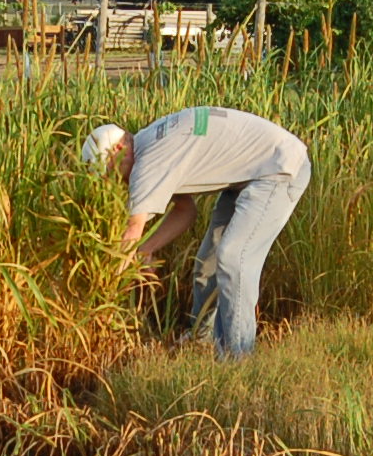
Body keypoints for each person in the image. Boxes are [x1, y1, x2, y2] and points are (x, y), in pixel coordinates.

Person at [81, 106, 311, 360]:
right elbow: (185, 211)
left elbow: (132, 229)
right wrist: (146, 249)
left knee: (233, 258)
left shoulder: (147, 164)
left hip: (280, 169)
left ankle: (238, 359)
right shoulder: (151, 144)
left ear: (118, 150)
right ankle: (201, 340)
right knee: (207, 264)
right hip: (251, 174)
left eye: (110, 171)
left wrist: (105, 292)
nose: (113, 181)